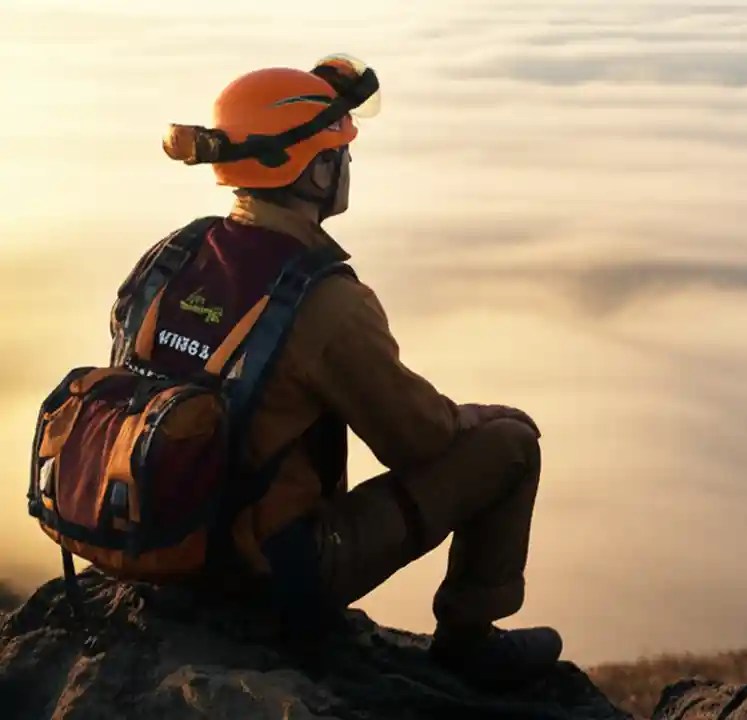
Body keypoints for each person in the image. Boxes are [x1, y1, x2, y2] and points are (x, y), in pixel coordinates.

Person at [110, 56, 562, 686]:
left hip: (155, 539)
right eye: (341, 152)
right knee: (512, 446)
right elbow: (417, 440)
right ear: (316, 169)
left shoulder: (172, 257)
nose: (348, 164)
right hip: (267, 574)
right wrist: (471, 418)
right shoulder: (325, 300)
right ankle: (470, 644)